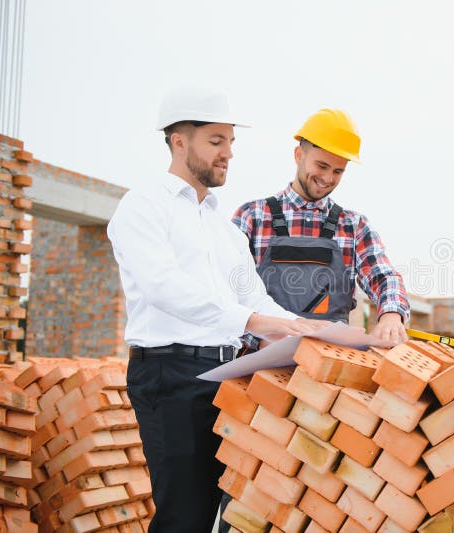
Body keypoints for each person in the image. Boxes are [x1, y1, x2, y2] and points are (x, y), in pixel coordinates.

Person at [107, 88, 323, 532]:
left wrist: (297, 328)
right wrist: (252, 322)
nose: (228, 153)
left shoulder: (223, 230)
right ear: (178, 141)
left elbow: (253, 297)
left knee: (235, 514)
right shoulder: (144, 206)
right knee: (185, 518)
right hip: (172, 376)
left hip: (230, 376)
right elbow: (164, 287)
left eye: (230, 142)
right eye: (216, 141)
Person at [232, 108, 410, 350]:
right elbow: (228, 292)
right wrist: (260, 337)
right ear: (298, 155)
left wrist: (391, 314)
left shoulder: (354, 226)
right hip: (260, 362)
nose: (328, 178)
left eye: (338, 171)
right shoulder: (251, 217)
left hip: (331, 361)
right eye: (322, 165)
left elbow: (383, 276)